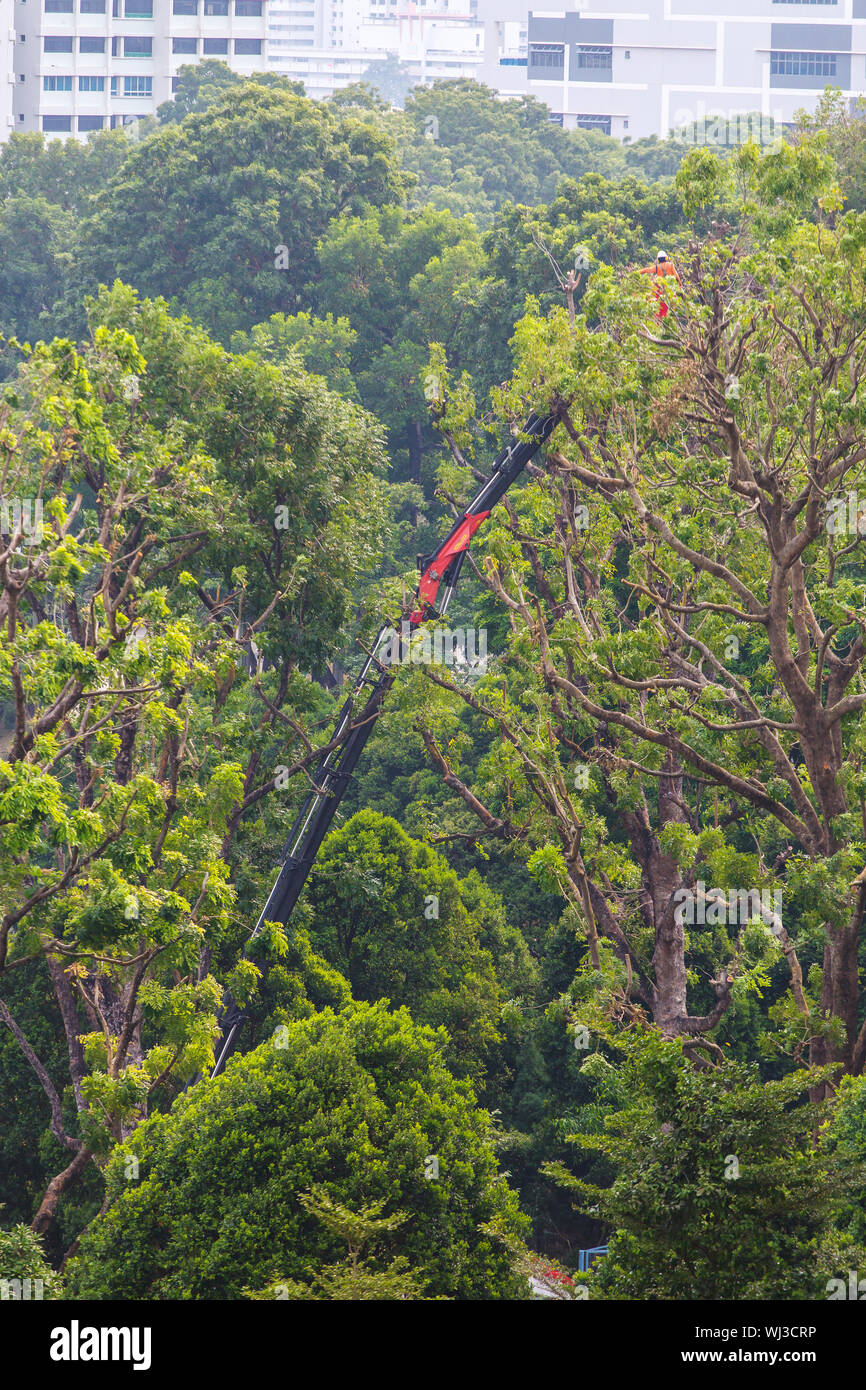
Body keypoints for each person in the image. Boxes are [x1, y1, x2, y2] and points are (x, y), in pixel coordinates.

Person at [640, 250, 680, 318]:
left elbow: (647, 270)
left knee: (658, 307)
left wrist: (637, 272)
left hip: (660, 290)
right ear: (666, 258)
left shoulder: (657, 267)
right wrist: (680, 285)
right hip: (669, 289)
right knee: (671, 306)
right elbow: (677, 276)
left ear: (658, 259)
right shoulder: (670, 265)